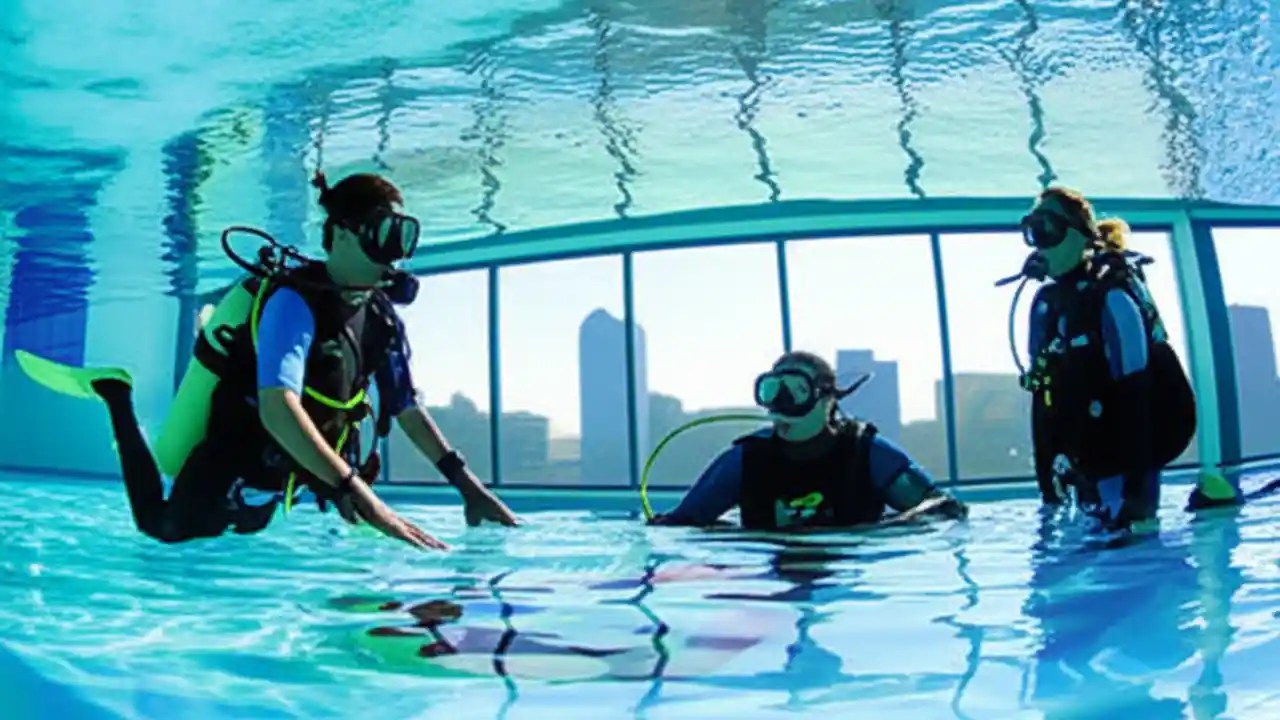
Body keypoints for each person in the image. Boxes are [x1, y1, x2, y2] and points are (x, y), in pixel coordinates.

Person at [15, 170, 518, 551]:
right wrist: (363, 497)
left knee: (237, 539)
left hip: (286, 473)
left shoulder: (382, 318)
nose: (396, 254)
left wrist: (468, 488)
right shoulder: (292, 302)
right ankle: (116, 394)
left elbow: (407, 409)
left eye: (404, 238)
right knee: (163, 529)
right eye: (383, 234)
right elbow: (279, 407)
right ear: (341, 233)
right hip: (238, 451)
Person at [1017, 186, 1235, 532]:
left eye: (1049, 229)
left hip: (1142, 434)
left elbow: (1138, 396)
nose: (1040, 242)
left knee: (1130, 539)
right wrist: (1048, 490)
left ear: (1081, 236)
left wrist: (1137, 498)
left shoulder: (1112, 298)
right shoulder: (1044, 306)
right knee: (1091, 532)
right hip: (1093, 440)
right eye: (1032, 231)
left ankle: (1214, 502)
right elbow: (1042, 396)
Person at [648, 351, 967, 530]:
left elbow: (945, 509)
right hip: (766, 576)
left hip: (851, 575)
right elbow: (681, 523)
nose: (781, 405)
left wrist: (880, 532)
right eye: (772, 392)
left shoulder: (866, 452)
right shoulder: (747, 459)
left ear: (828, 400)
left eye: (796, 391)